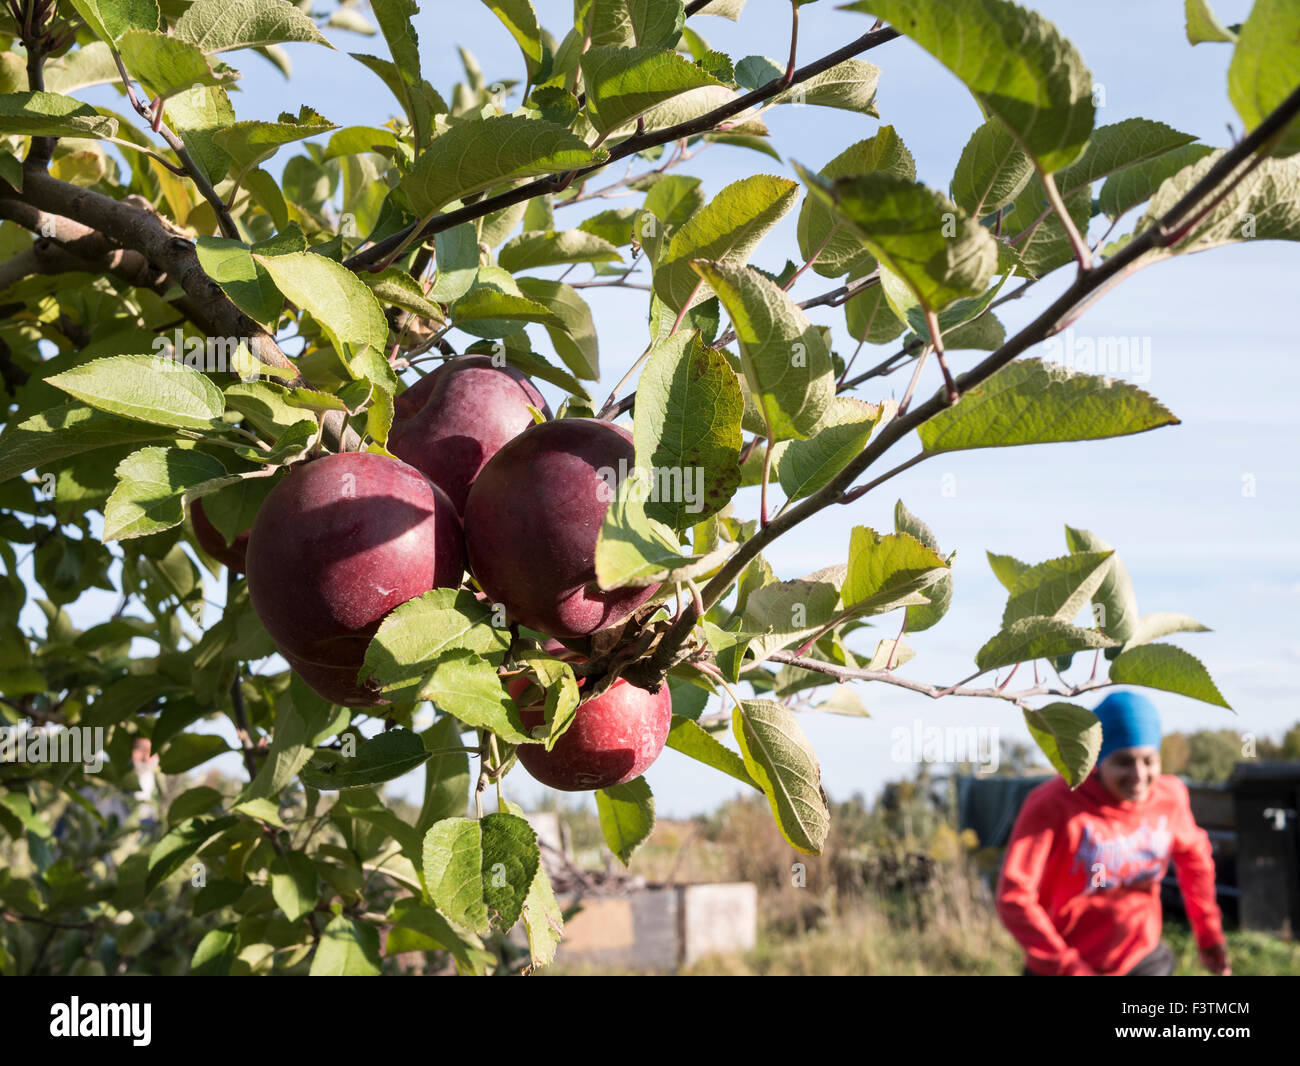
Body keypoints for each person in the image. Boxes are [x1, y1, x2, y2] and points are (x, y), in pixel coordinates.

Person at [996, 690, 1231, 976]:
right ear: (1098, 759)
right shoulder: (1054, 803)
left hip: (1140, 957)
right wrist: (1067, 967)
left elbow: (1195, 860)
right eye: (1124, 761)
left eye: (1148, 760)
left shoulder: (1169, 798)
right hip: (1061, 964)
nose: (1139, 774)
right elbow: (1014, 897)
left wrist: (1209, 936)